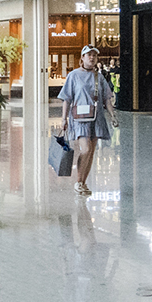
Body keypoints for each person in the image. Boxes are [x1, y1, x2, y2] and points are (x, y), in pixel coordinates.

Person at [58, 44, 115, 196]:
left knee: (91, 152)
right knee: (86, 149)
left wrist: (113, 116)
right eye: (88, 55)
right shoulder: (74, 75)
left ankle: (83, 183)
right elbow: (66, 98)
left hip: (96, 118)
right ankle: (78, 181)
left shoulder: (99, 76)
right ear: (82, 58)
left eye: (94, 55)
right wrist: (63, 119)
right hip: (80, 118)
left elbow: (107, 98)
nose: (92, 57)